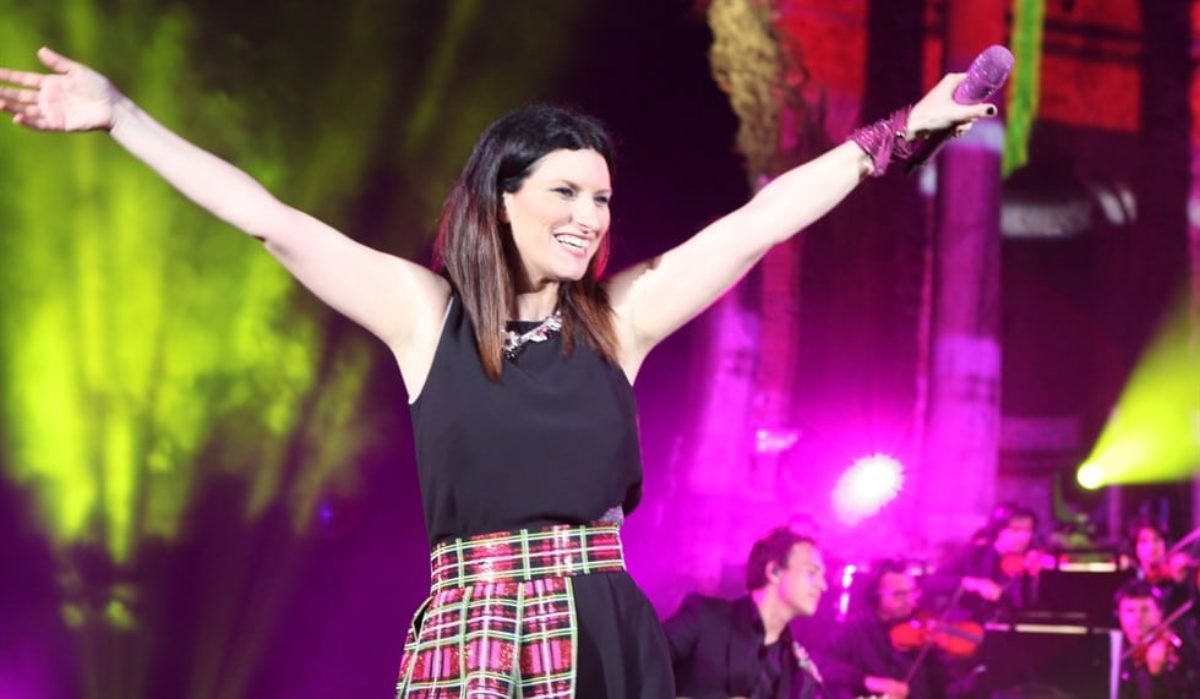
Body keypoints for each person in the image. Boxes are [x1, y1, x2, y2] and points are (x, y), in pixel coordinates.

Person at [0, 46, 993, 697]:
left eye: (602, 198)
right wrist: (122, 116)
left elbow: (758, 222)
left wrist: (909, 127)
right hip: (474, 624)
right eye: (566, 191)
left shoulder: (619, 321)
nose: (590, 217)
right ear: (502, 197)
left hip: (602, 627)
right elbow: (271, 219)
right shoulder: (424, 316)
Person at [664, 527, 828, 698]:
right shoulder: (705, 617)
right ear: (774, 571)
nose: (823, 586)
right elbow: (646, 664)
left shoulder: (795, 669)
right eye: (812, 573)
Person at [819, 560, 950, 699]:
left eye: (913, 593)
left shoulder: (919, 627)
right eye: (899, 594)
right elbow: (820, 663)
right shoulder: (854, 630)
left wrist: (941, 655)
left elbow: (941, 688)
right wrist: (867, 681)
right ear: (876, 595)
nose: (909, 601)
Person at [1115, 580, 1200, 698]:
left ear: (1160, 612)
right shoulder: (1114, 651)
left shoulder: (1180, 651)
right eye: (1130, 611)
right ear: (1119, 614)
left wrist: (1157, 677)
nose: (1138, 617)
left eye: (1145, 610)